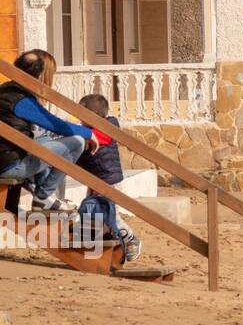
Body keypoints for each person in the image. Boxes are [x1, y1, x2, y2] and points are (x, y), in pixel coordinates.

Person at [0, 49, 102, 212]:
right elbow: (56, 125)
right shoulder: (21, 100)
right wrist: (88, 133)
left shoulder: (7, 89)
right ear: (40, 76)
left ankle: (44, 194)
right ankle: (42, 197)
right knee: (76, 142)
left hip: (7, 159)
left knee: (44, 139)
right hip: (12, 165)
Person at [73, 94, 141, 262]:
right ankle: (102, 248)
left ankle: (131, 240)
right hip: (97, 180)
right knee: (96, 214)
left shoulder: (102, 131)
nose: (79, 118)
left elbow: (87, 140)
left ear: (91, 115)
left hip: (108, 181)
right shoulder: (97, 129)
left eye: (81, 113)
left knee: (111, 216)